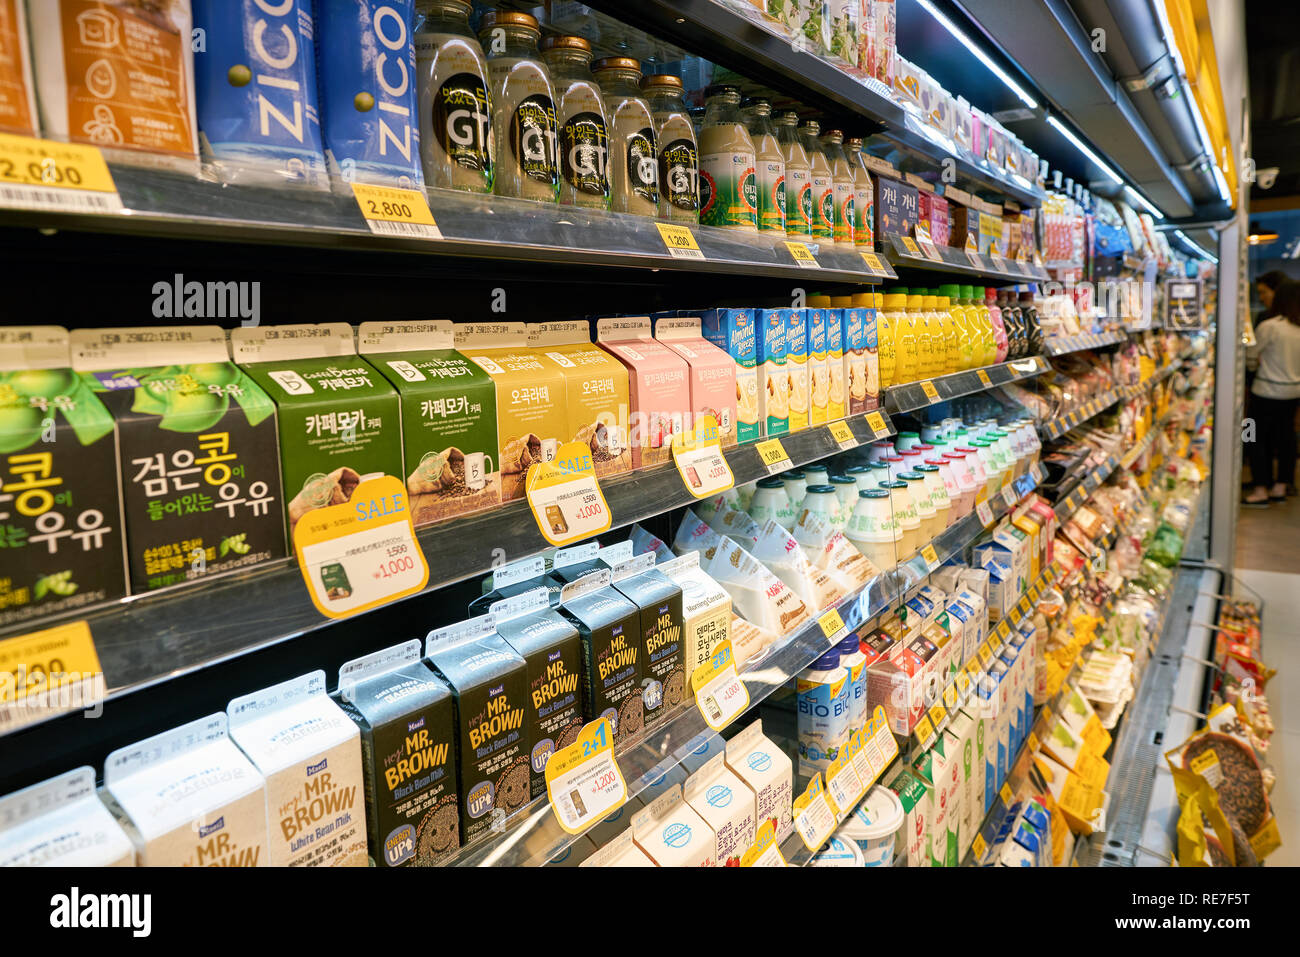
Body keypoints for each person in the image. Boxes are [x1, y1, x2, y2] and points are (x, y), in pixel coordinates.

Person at [1244, 280, 1300, 505]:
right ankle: (1280, 486)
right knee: (1286, 438)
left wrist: (1253, 367)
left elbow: (1250, 357)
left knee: (1252, 435)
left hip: (1264, 391)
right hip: (1293, 394)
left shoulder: (1270, 326)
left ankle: (1260, 488)